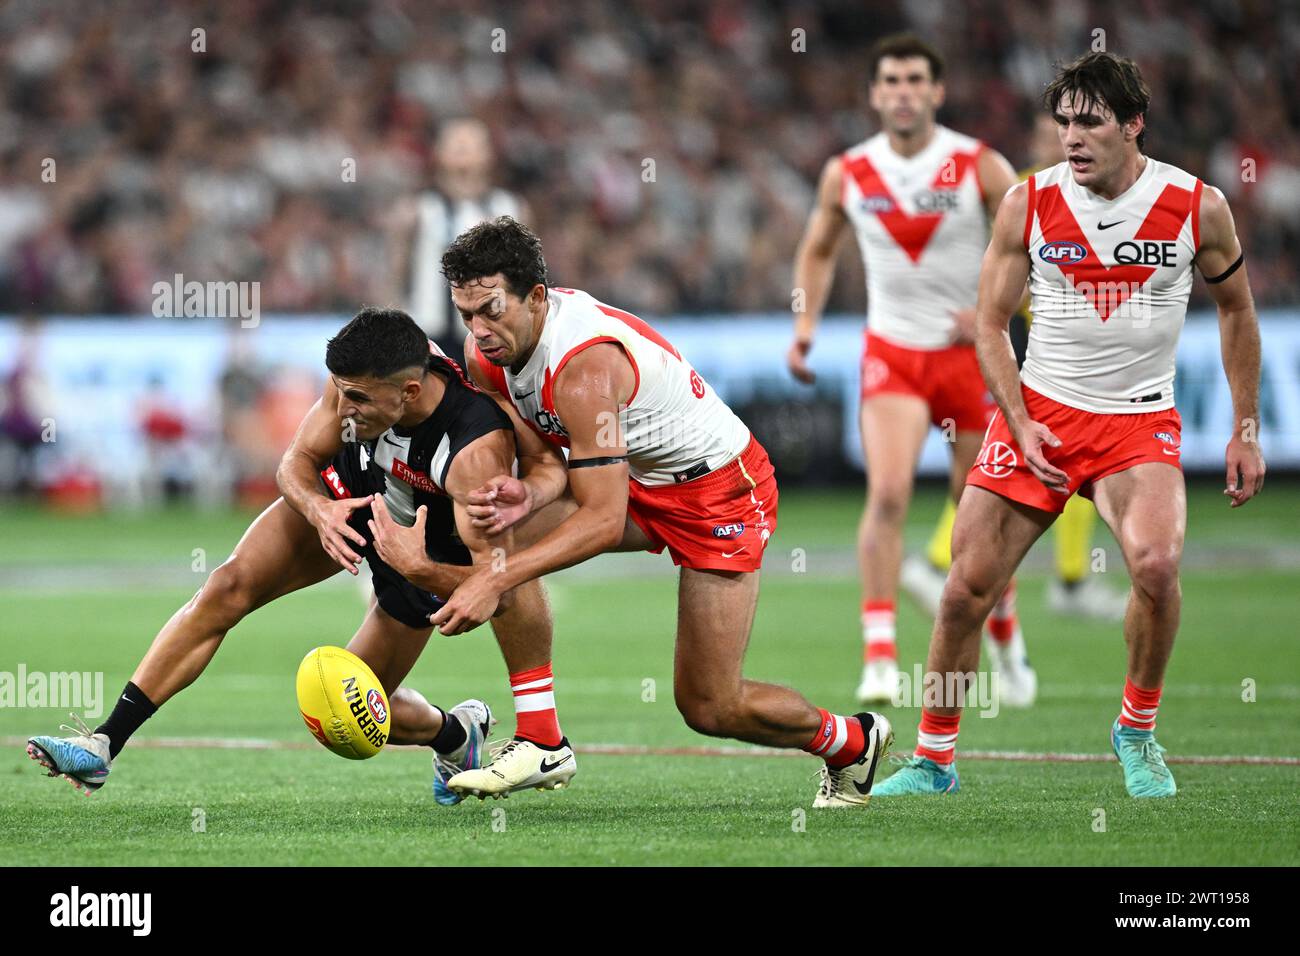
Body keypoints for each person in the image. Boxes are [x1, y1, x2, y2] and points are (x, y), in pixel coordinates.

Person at [368, 216, 893, 807]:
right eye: (466, 314)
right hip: (636, 477)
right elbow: (545, 459)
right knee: (491, 531)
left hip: (718, 490)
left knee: (710, 706)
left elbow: (596, 519)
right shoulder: (490, 353)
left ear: (536, 297)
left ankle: (851, 741)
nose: (479, 330)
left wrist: (496, 578)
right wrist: (533, 494)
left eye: (492, 309)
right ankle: (541, 737)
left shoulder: (585, 368)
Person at [872, 52, 1264, 799]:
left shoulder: (1197, 205)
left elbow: (1238, 309)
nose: (1072, 138)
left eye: (1090, 122)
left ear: (1134, 123)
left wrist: (1244, 428)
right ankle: (933, 760)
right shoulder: (1028, 203)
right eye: (1063, 123)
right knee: (963, 590)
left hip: (1138, 422)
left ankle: (1136, 732)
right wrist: (1017, 422)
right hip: (1043, 413)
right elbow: (989, 323)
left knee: (1155, 567)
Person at [26, 308, 551, 805]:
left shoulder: (475, 451)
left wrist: (419, 569)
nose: (344, 409)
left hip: (426, 550)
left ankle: (455, 734)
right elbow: (295, 460)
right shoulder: (357, 376)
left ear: (409, 391)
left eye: (359, 400)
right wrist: (319, 510)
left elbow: (499, 585)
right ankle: (103, 743)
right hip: (347, 498)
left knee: (348, 712)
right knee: (226, 585)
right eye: (341, 394)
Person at [786, 34, 1033, 707]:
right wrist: (804, 325)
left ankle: (1007, 641)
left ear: (936, 91)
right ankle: (879, 656)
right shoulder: (849, 172)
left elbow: (1033, 238)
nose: (902, 91)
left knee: (978, 516)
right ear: (874, 94)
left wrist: (991, 306)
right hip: (892, 355)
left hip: (970, 360)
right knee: (889, 494)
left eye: (914, 79)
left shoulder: (978, 165)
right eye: (890, 80)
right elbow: (816, 250)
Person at [909, 112, 1129, 623]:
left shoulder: (1095, 193)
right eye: (1057, 130)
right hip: (1023, 341)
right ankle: (941, 560)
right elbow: (989, 265)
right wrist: (978, 310)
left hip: (1067, 346)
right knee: (1013, 460)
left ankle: (1067, 578)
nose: (1068, 140)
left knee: (1067, 462)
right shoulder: (1025, 192)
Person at [390, 117, 528, 357]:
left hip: (494, 334)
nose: (463, 148)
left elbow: (526, 277)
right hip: (429, 334)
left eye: (472, 143)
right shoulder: (416, 210)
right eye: (456, 143)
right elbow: (395, 274)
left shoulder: (510, 209)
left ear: (488, 154)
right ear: (438, 153)